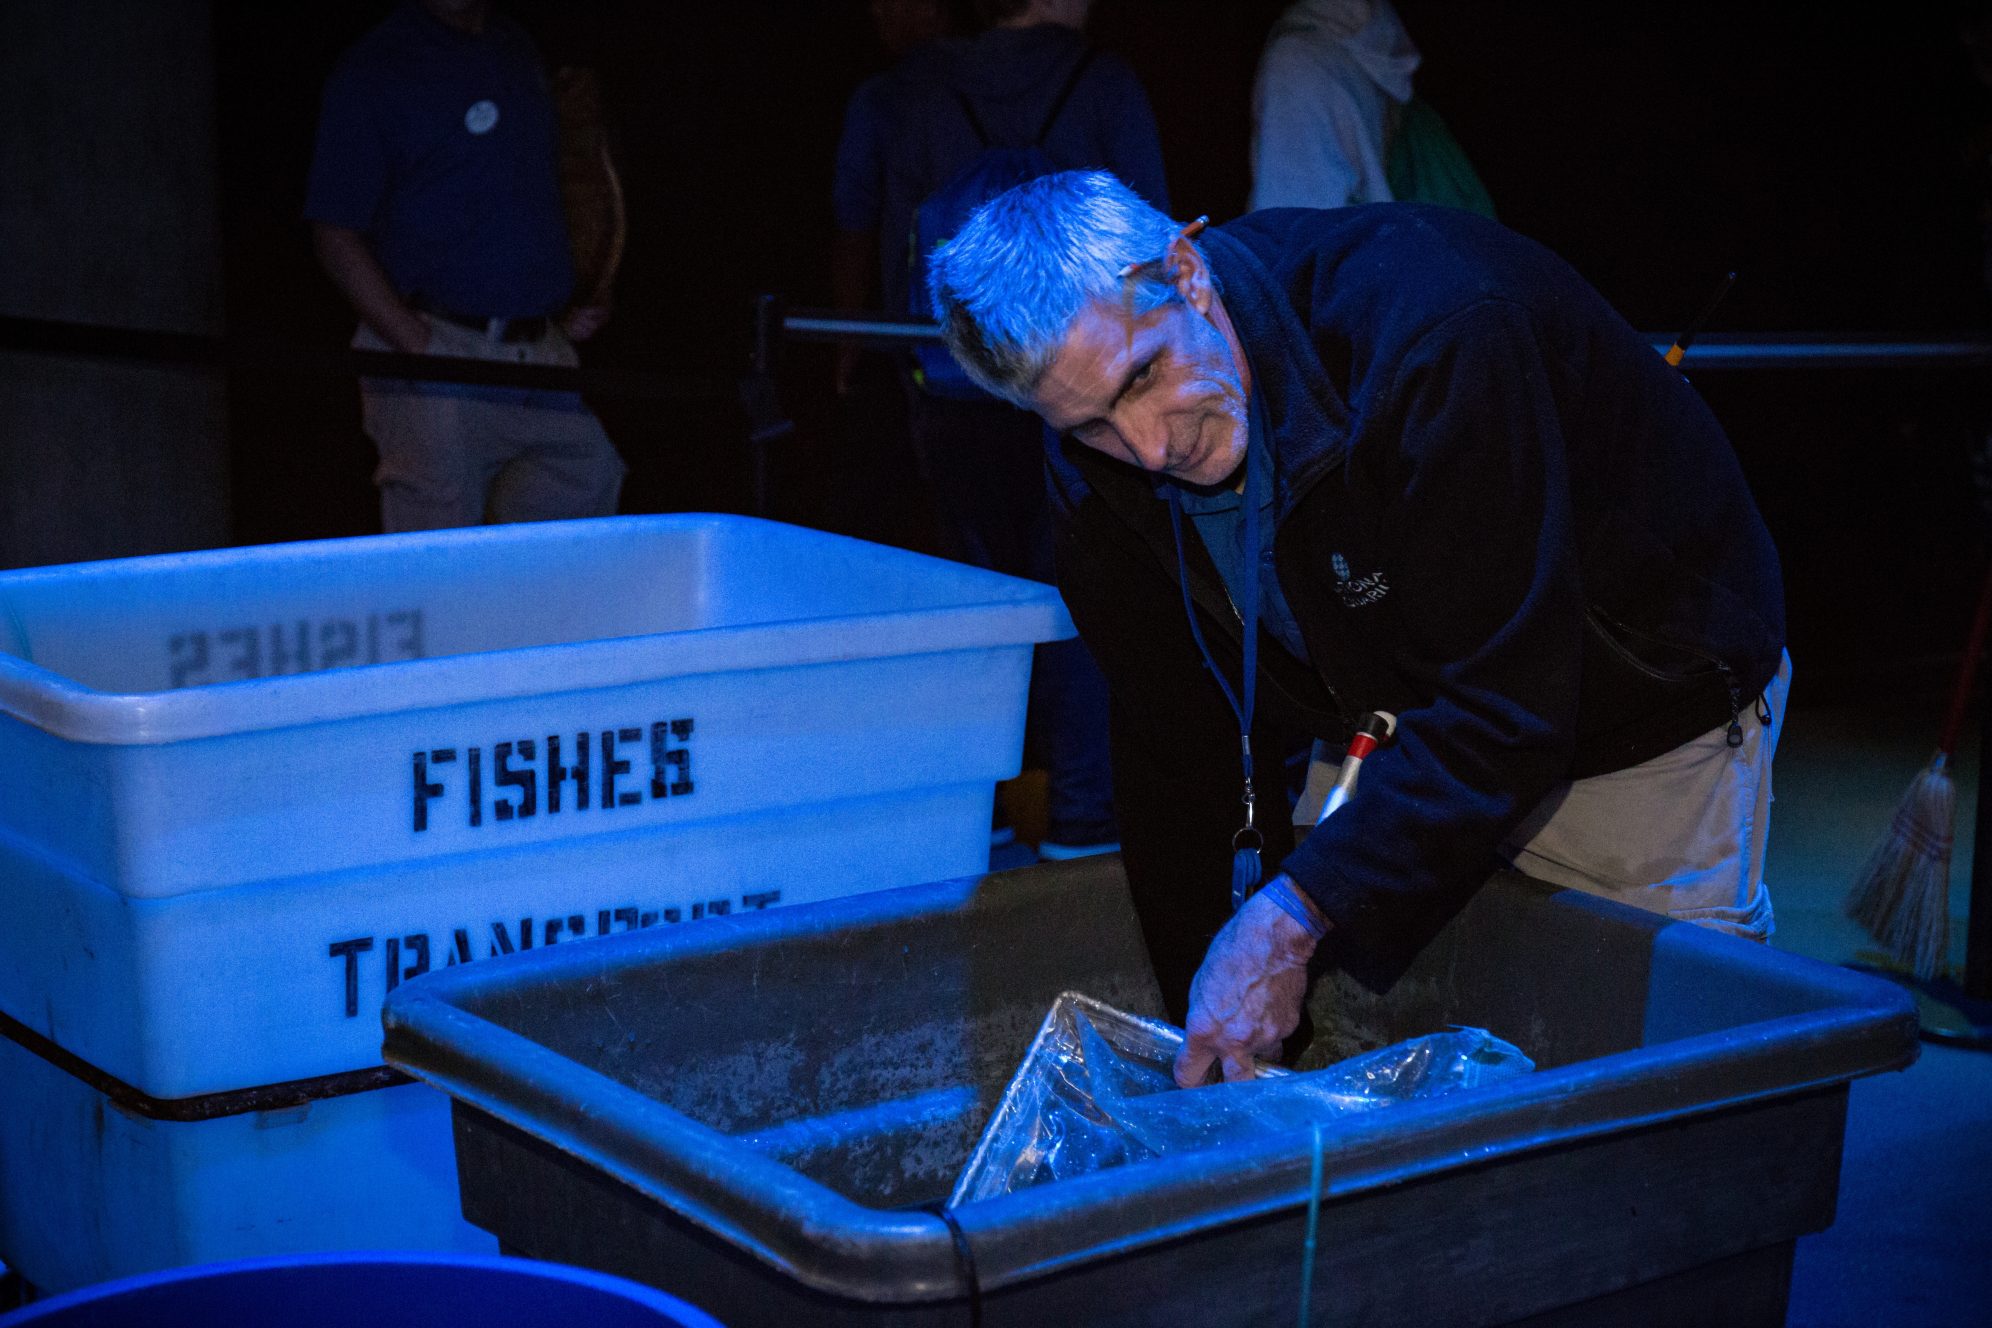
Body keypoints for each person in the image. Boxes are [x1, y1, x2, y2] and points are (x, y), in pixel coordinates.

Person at [929, 171, 1788, 1086]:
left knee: (1629, 1071)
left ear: (1186, 270)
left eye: (1145, 376)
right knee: (1361, 1053)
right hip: (1386, 706)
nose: (1148, 448)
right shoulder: (1093, 469)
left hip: (1629, 690)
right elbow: (1176, 746)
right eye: (1093, 422)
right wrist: (1208, 1024)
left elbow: (1511, 708)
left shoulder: (1435, 329)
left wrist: (1292, 911)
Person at [831, 0, 1170, 858]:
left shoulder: (906, 89)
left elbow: (868, 227)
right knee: (1084, 595)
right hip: (1083, 386)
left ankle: (968, 820)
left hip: (948, 379)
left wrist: (866, 365)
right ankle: (1083, 818)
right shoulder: (1104, 82)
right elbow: (1154, 240)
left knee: (969, 600)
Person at [305, 0, 625, 533]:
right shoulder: (378, 67)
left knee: (583, 491)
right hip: (440, 352)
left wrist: (580, 286)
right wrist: (415, 343)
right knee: (440, 551)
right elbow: (334, 232)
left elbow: (558, 182)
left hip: (539, 351)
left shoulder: (515, 44)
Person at [1249, 0, 1420, 211]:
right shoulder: (1377, 47)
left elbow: (1293, 212)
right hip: (1373, 231)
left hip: (1330, 234)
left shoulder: (1298, 61)